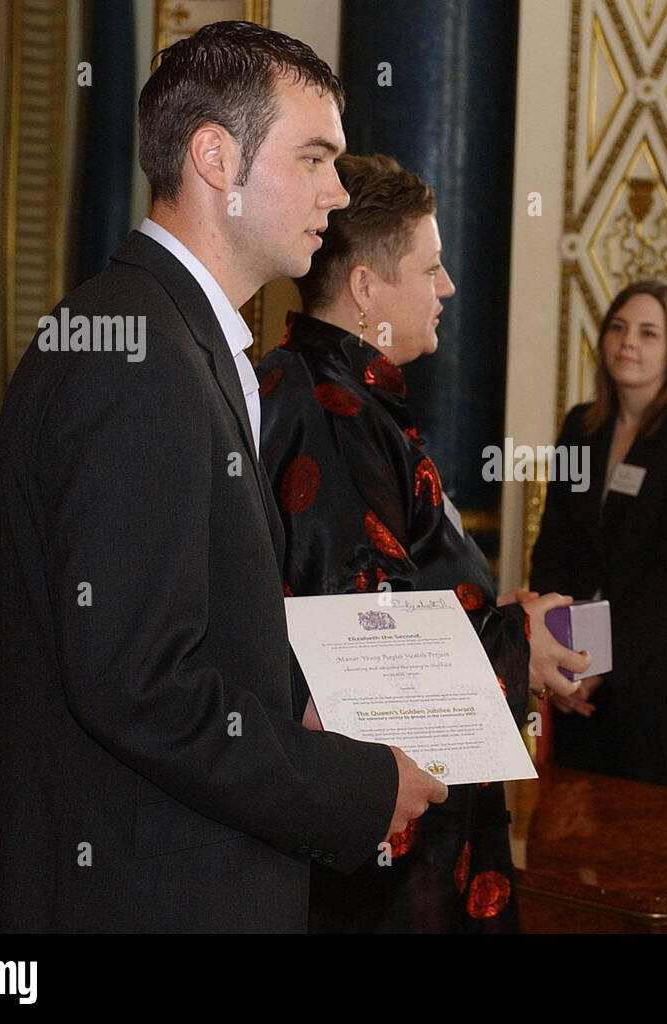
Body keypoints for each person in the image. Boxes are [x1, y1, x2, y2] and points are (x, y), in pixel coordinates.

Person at [0, 22, 446, 933]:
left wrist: (296, 704)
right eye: (316, 156)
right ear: (216, 157)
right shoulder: (138, 357)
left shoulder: (170, 334)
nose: (338, 192)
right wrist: (352, 785)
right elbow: (139, 683)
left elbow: (179, 632)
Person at [256, 153, 589, 933]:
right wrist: (521, 642)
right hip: (386, 841)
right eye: (430, 268)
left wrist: (493, 611)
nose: (446, 288)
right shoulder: (333, 409)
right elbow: (370, 637)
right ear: (366, 288)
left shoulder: (328, 391)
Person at [528, 281, 667, 791]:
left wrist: (600, 666)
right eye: (618, 328)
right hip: (576, 677)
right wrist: (563, 659)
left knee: (647, 857)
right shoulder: (582, 426)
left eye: (648, 333)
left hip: (661, 680)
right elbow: (553, 546)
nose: (628, 343)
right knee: (568, 850)